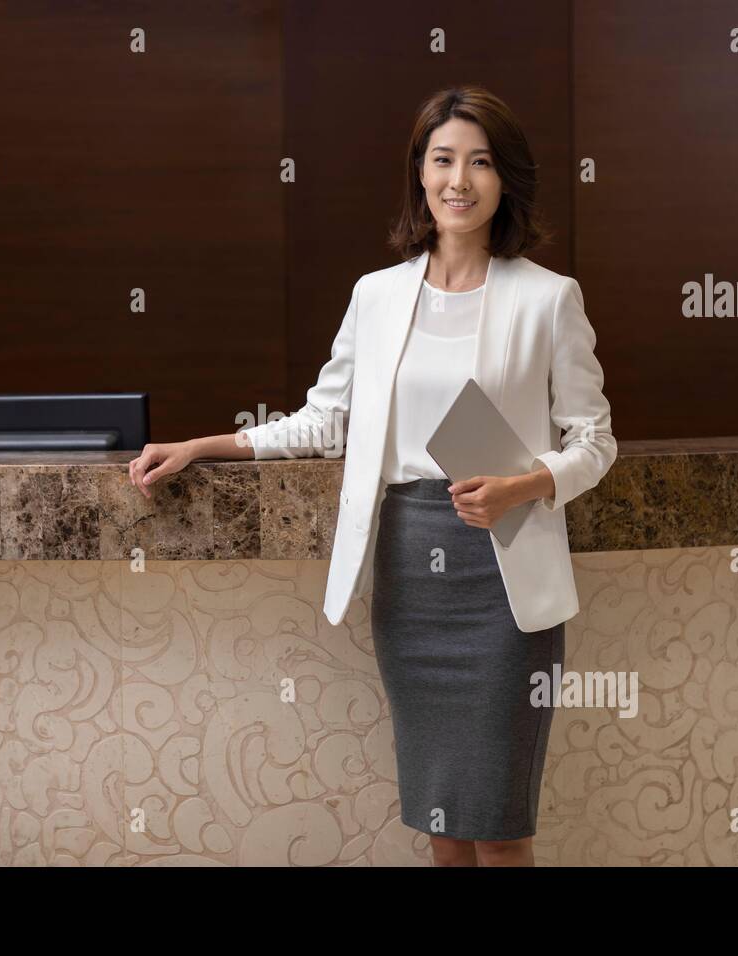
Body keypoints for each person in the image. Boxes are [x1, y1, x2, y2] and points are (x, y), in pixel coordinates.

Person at [128, 85, 616, 867]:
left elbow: (595, 442)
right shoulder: (378, 296)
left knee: (499, 825)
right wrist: (201, 445)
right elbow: (325, 423)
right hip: (409, 570)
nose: (460, 179)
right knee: (443, 820)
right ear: (420, 176)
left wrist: (521, 486)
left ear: (505, 180)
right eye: (444, 159)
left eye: (481, 162)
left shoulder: (548, 298)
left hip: (503, 575)